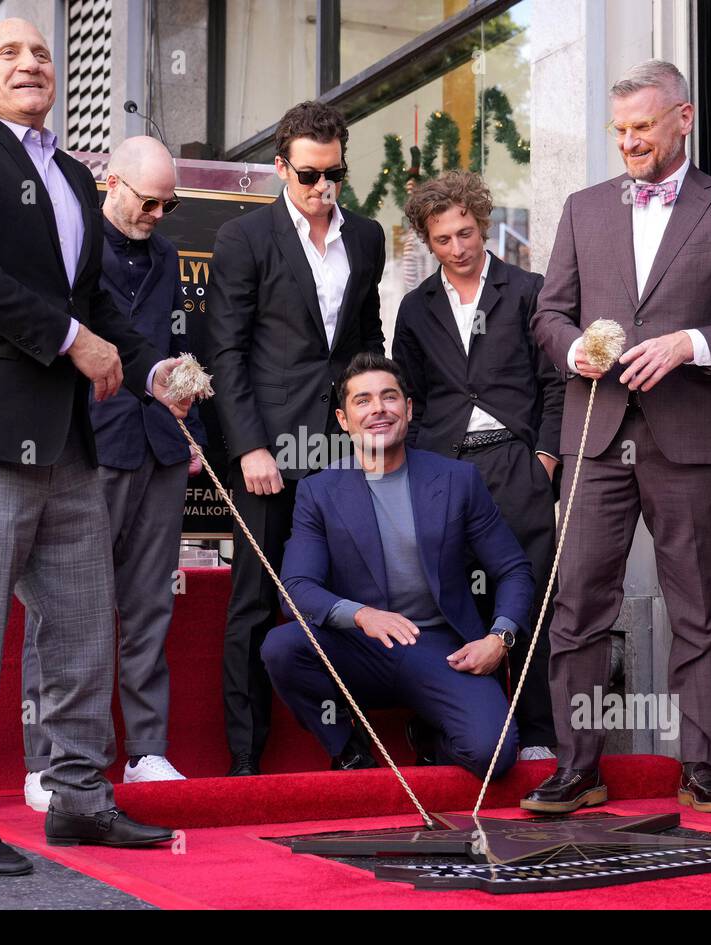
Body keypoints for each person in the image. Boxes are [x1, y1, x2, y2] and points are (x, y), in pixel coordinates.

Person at [0, 17, 196, 876]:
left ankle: (78, 798)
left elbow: (101, 311)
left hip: (70, 446)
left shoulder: (71, 174)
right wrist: (74, 341)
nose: (32, 63)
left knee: (78, 632)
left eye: (42, 53)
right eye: (10, 53)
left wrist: (153, 373)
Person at [526, 60, 711, 815]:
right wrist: (577, 351)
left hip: (691, 438)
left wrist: (690, 345)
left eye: (643, 126)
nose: (631, 141)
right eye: (621, 130)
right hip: (595, 436)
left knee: (699, 605)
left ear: (683, 118)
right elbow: (549, 315)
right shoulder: (581, 207)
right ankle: (579, 769)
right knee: (577, 604)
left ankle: (702, 769)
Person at [20, 135, 205, 809]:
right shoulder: (71, 242)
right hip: (87, 447)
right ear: (113, 184)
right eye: (149, 201)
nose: (158, 214)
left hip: (160, 447)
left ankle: (147, 749)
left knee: (150, 607)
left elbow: (176, 346)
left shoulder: (169, 254)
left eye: (169, 203)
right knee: (65, 610)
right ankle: (48, 758)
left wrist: (193, 425)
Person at [205, 101, 386, 777]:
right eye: (309, 175)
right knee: (254, 603)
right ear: (281, 168)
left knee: (348, 595)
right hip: (269, 452)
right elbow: (225, 351)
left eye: (334, 172)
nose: (322, 188)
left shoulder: (366, 238)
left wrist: (375, 430)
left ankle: (347, 748)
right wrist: (248, 445)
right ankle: (245, 763)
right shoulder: (244, 239)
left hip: (343, 452)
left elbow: (369, 343)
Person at [261, 353, 533, 777]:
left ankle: (430, 732)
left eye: (389, 398)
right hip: (357, 645)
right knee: (282, 647)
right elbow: (295, 585)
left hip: (441, 647)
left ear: (408, 408)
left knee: (492, 757)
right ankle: (349, 748)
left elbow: (513, 568)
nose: (378, 410)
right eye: (363, 401)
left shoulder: (457, 480)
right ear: (344, 418)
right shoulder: (319, 491)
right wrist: (362, 616)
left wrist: (500, 637)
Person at [392, 170, 565, 763]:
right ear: (427, 241)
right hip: (444, 472)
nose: (458, 248)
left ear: (482, 223)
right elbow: (407, 397)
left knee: (529, 598)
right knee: (446, 603)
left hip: (516, 464)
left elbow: (554, 384)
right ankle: (454, 734)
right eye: (443, 239)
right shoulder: (415, 310)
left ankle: (538, 735)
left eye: (465, 233)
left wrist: (544, 458)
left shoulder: (529, 290)